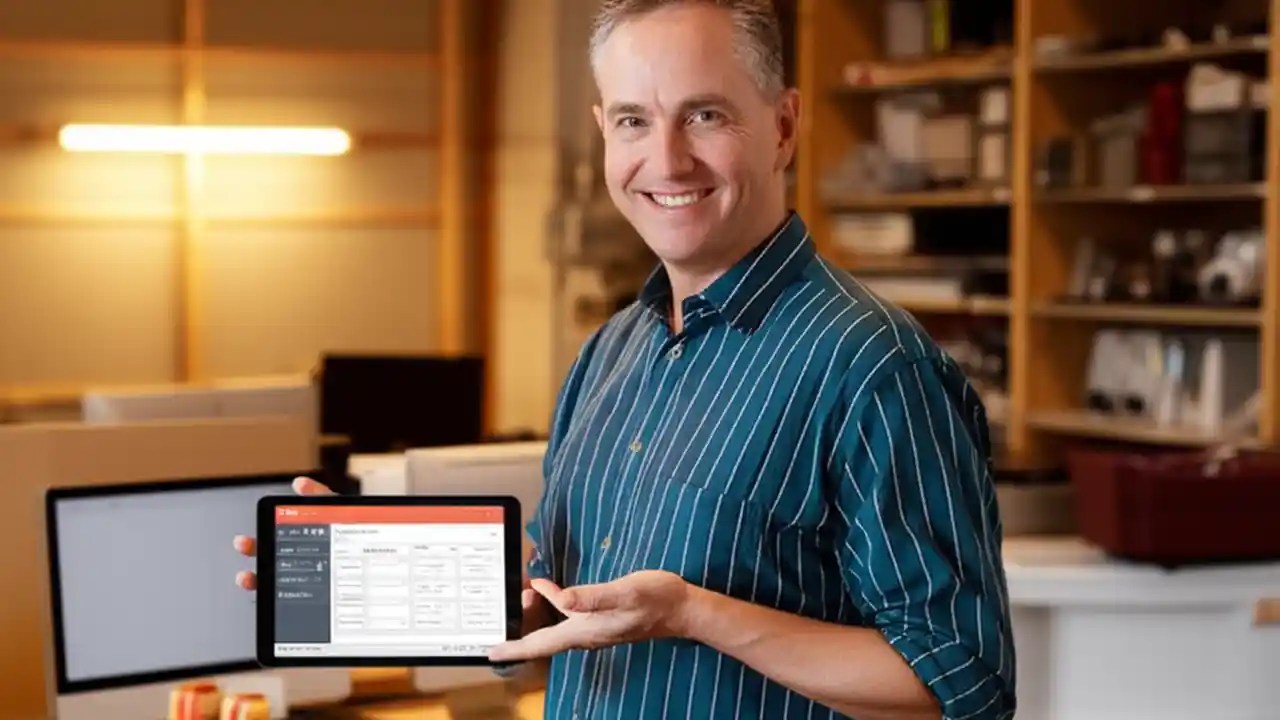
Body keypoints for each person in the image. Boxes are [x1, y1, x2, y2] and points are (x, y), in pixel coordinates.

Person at [235, 1, 1016, 718]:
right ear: (604, 130)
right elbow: (562, 612)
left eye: (704, 115)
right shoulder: (610, 353)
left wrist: (694, 612)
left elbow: (962, 681)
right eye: (635, 122)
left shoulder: (875, 367)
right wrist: (372, 583)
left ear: (783, 127)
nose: (667, 161)